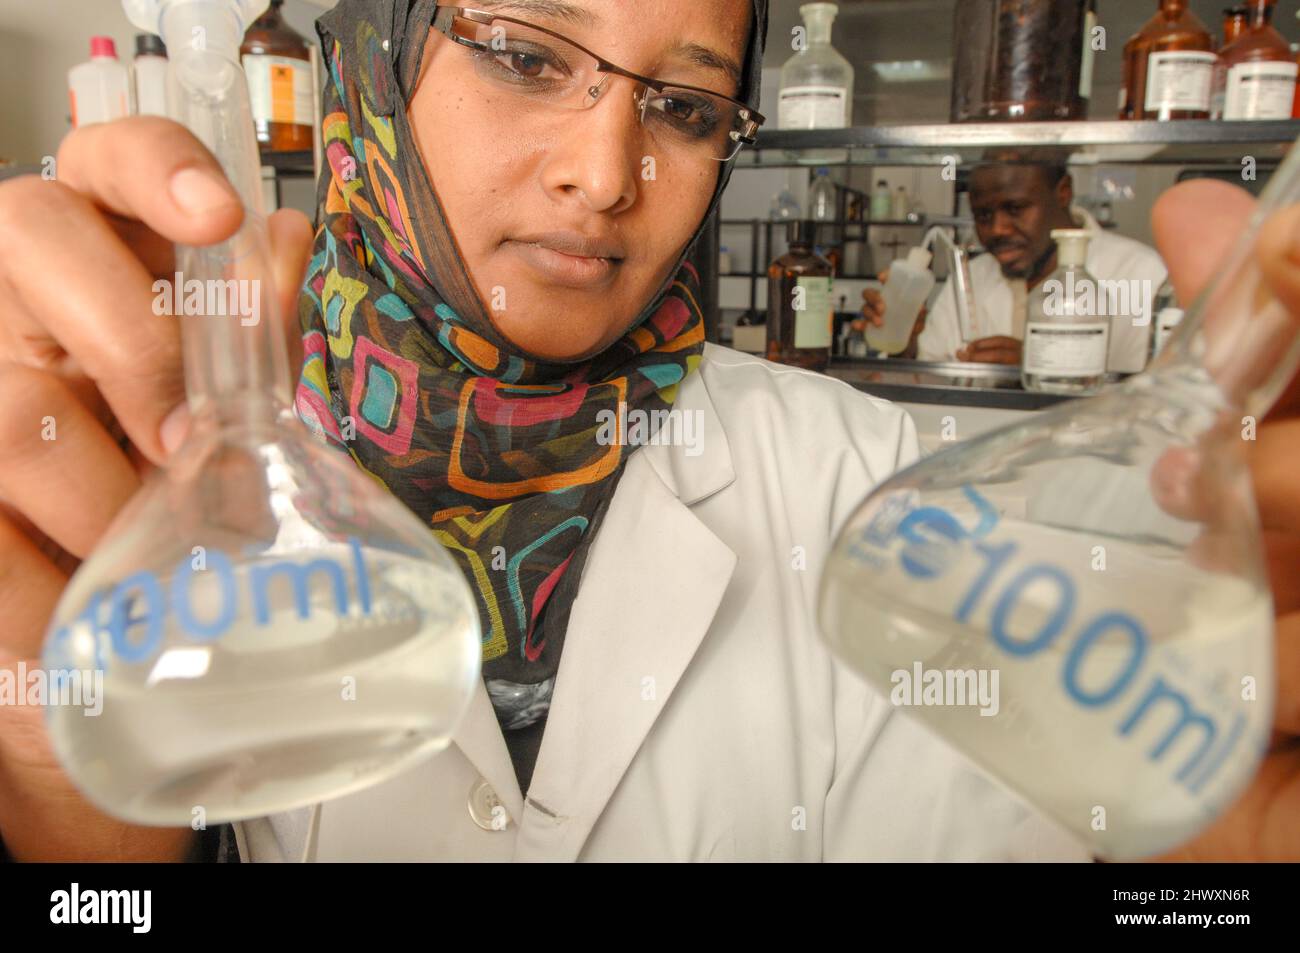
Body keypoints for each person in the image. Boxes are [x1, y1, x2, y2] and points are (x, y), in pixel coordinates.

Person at [0, 0, 1294, 863]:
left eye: (683, 106)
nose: (607, 172)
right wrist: (66, 821)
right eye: (524, 52)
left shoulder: (863, 484)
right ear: (378, 62)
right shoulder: (146, 483)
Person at [860, 152, 1167, 373]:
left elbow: (1150, 397)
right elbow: (931, 368)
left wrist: (1038, 367)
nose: (997, 229)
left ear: (1063, 193)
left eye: (1016, 208)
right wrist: (906, 343)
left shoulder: (1137, 272)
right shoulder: (972, 276)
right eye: (983, 215)